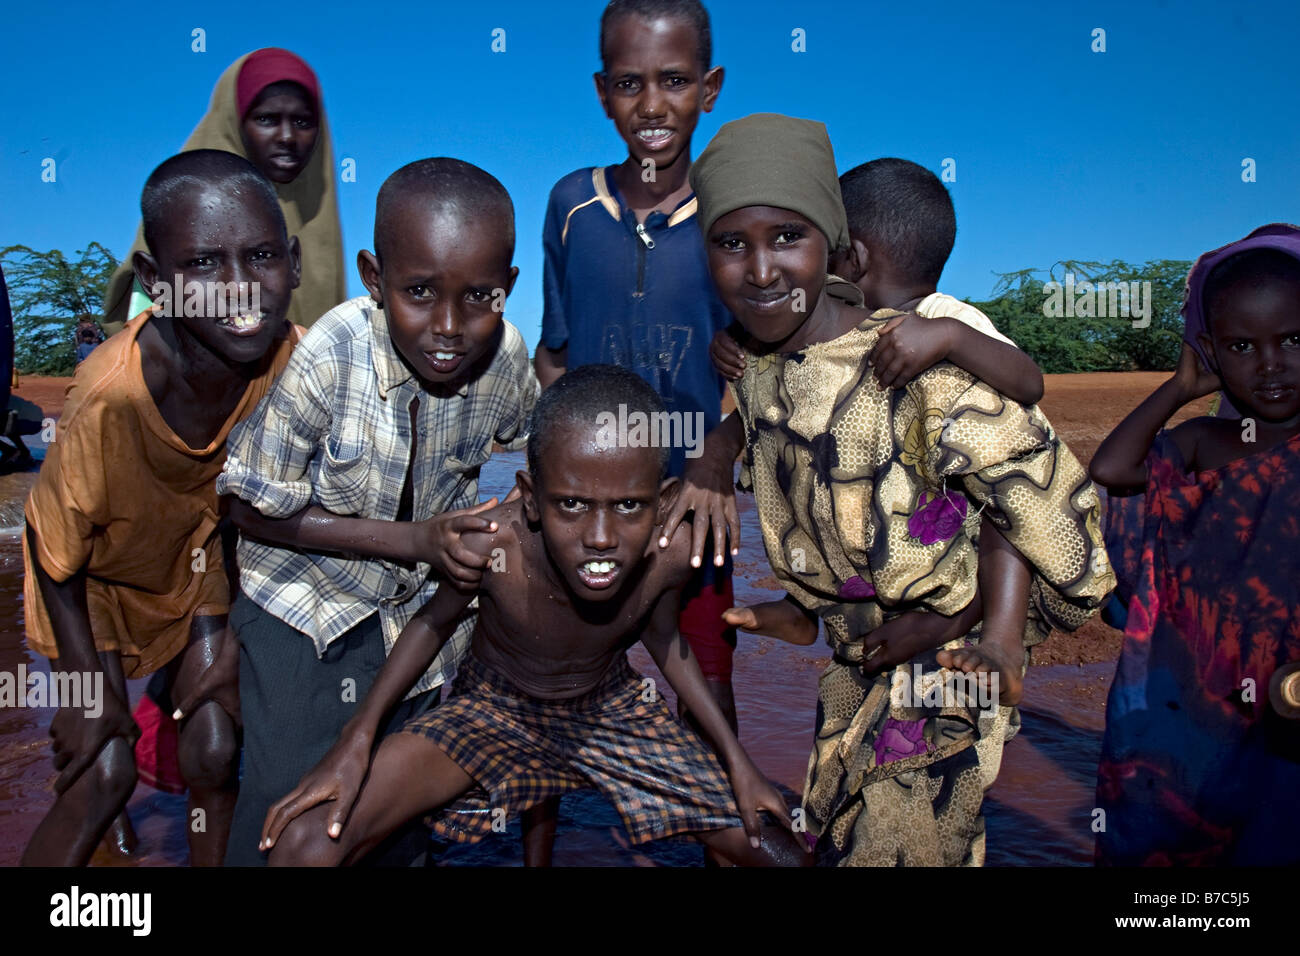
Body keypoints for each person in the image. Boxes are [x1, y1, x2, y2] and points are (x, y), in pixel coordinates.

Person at [689, 113, 1114, 865]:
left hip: (948, 678)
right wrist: (802, 606)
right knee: (844, 832)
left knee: (899, 839)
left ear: (836, 247)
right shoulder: (761, 379)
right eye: (730, 243)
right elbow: (822, 514)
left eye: (787, 237)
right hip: (857, 669)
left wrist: (963, 624)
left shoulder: (923, 367)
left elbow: (1049, 530)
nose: (759, 271)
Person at [255, 365, 811, 867]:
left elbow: (667, 641)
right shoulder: (495, 547)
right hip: (496, 707)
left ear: (664, 502)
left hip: (610, 709)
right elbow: (430, 624)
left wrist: (737, 761)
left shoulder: (671, 552)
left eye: (629, 507)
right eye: (571, 504)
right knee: (305, 844)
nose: (601, 538)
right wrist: (357, 740)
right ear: (530, 496)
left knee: (778, 849)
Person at [216, 157, 539, 866]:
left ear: (508, 288)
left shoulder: (507, 359)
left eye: (480, 296)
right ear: (373, 279)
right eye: (419, 292)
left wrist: (501, 525)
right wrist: (414, 539)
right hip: (302, 598)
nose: (450, 327)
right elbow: (246, 509)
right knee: (290, 800)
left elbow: (538, 461)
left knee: (391, 811)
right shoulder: (333, 354)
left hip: (421, 619)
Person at [20, 149, 303, 866]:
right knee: (102, 766)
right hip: (94, 586)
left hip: (192, 567)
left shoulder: (289, 361)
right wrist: (87, 692)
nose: (240, 288)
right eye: (205, 264)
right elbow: (52, 548)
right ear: (155, 281)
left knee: (214, 744)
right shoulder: (110, 397)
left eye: (262, 255)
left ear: (293, 263)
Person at [534, 0, 742, 738]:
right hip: (586, 502)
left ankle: (730, 828)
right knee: (557, 683)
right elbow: (553, 358)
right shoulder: (570, 206)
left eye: (676, 80)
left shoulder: (733, 218)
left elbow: (764, 370)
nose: (652, 105)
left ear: (709, 88)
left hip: (693, 497)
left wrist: (717, 458)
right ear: (602, 92)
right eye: (630, 83)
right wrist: (547, 489)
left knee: (707, 683)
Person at [1090, 226, 1300, 865]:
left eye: (1294, 339)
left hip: (1292, 683)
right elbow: (1114, 469)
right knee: (1187, 824)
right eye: (1242, 345)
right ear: (1209, 352)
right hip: (1200, 689)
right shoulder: (1207, 440)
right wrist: (1180, 386)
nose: (1271, 364)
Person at [710, 157, 1042, 406]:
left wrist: (949, 336)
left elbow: (1030, 383)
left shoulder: (945, 316)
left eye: (828, 256)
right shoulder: (850, 327)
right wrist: (737, 341)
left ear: (854, 259)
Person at [102, 47, 344, 334]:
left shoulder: (318, 223)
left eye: (302, 122)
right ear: (233, 123)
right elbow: (145, 329)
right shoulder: (187, 203)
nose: (287, 137)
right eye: (267, 119)